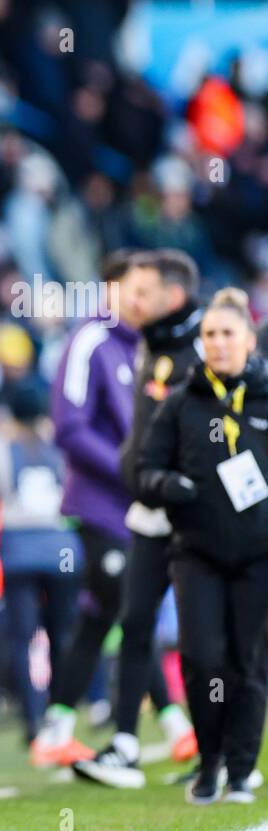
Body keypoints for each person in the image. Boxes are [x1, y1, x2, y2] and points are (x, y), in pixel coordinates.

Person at [37, 251, 194, 772]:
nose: (142, 299)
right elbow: (69, 427)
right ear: (111, 290)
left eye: (149, 290)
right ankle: (173, 725)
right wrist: (133, 471)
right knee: (133, 605)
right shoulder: (91, 340)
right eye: (134, 288)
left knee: (97, 615)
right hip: (99, 506)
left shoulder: (148, 347)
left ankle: (56, 730)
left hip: (139, 507)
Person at [135, 288, 268, 804]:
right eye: (208, 334)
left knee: (248, 661)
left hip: (259, 556)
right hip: (197, 554)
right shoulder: (179, 405)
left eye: (226, 333)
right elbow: (144, 471)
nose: (215, 343)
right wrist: (170, 487)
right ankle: (207, 762)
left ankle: (240, 770)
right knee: (200, 658)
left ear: (248, 339)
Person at [0, 383, 81, 744]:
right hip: (61, 547)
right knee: (61, 636)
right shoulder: (60, 444)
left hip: (17, 550)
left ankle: (32, 720)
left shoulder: (0, 448)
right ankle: (60, 717)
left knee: (21, 638)